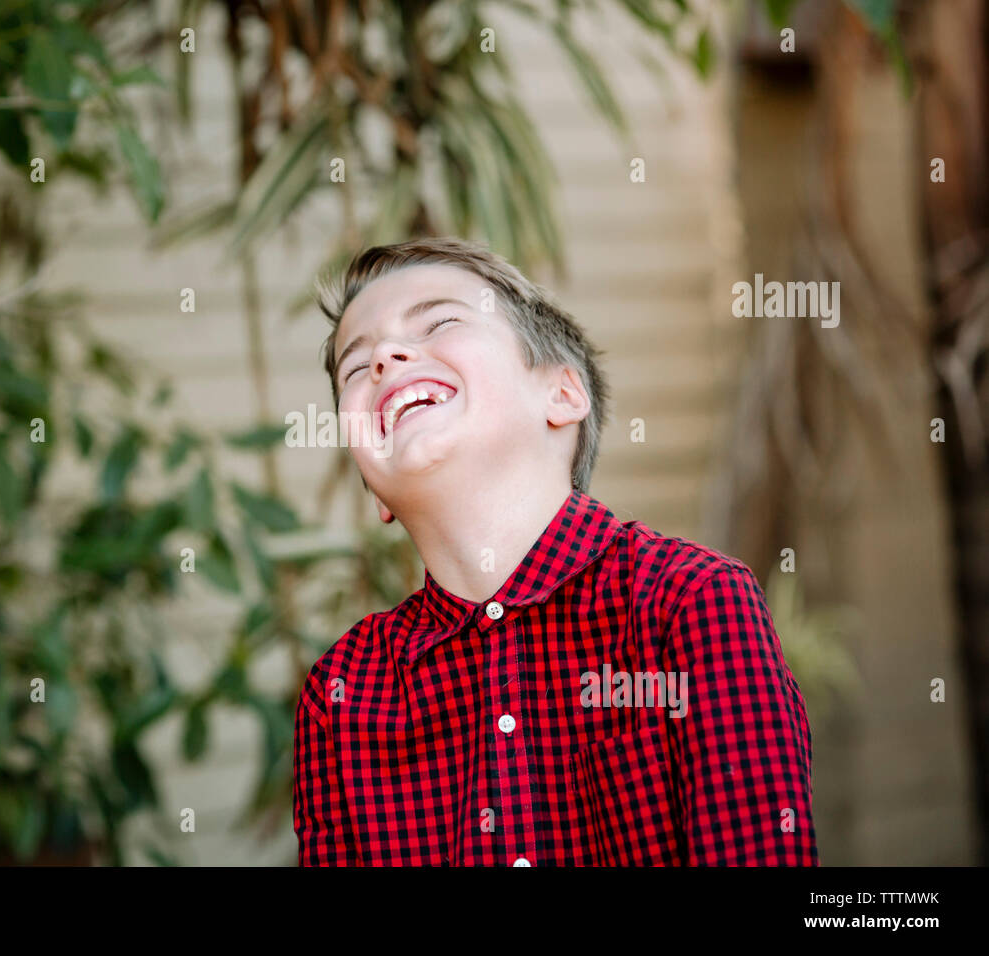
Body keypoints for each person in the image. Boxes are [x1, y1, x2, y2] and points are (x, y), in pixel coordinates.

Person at [292, 237, 818, 866]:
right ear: (373, 489)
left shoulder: (689, 603)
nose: (386, 358)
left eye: (440, 322)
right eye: (357, 368)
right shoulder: (345, 693)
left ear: (562, 396)